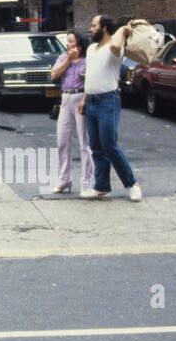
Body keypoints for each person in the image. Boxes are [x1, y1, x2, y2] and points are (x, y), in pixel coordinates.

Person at [79, 14, 142, 201]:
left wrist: (122, 29)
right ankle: (103, 187)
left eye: (93, 25)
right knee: (96, 147)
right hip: (91, 100)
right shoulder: (91, 49)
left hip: (108, 101)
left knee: (109, 145)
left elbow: (115, 45)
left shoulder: (116, 48)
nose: (90, 29)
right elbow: (89, 76)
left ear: (104, 28)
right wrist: (84, 99)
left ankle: (132, 183)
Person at [49, 29, 93, 194]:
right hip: (66, 99)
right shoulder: (62, 58)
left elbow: (90, 81)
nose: (67, 44)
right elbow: (54, 75)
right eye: (67, 41)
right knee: (62, 141)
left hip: (80, 97)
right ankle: (64, 179)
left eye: (71, 41)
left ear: (80, 45)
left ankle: (86, 182)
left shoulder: (87, 61)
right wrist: (68, 59)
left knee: (84, 143)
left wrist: (84, 100)